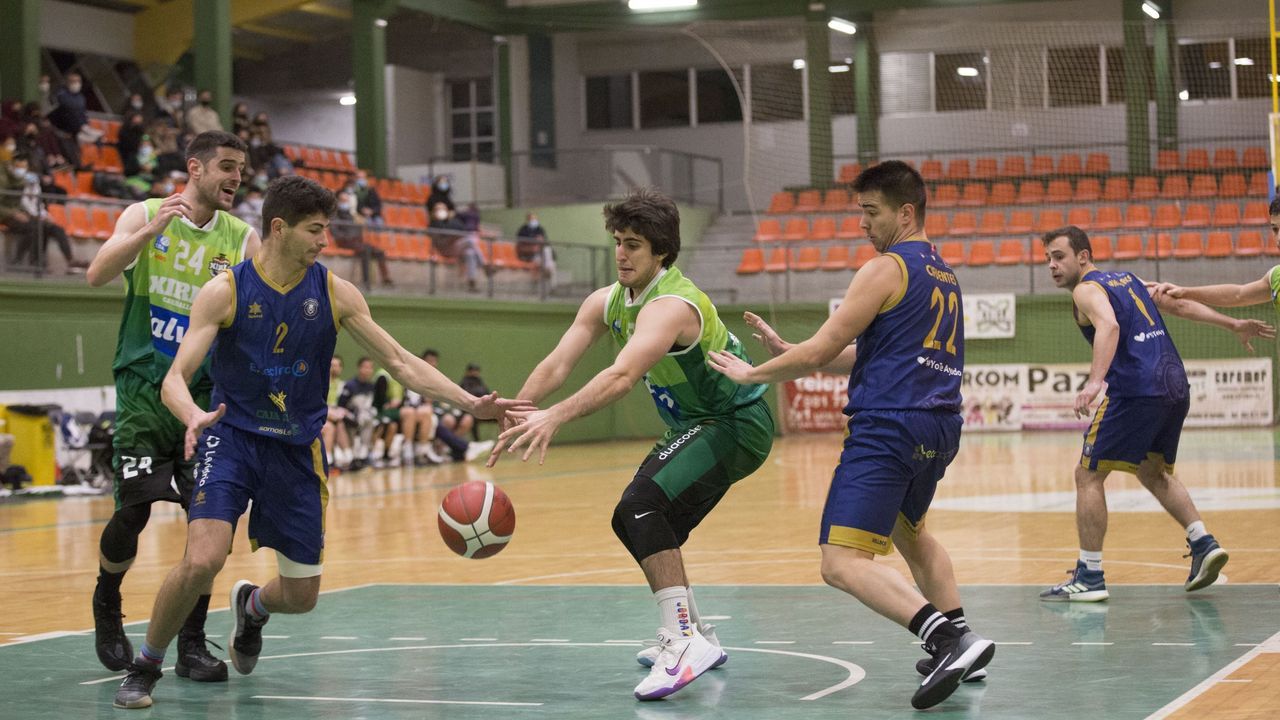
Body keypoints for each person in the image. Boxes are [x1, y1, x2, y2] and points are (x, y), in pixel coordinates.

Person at [111, 175, 519, 709]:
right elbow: (175, 378)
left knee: (301, 598)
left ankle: (252, 607)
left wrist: (471, 405)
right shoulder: (225, 291)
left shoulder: (334, 292)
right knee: (203, 558)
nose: (325, 241)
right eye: (315, 230)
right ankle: (144, 667)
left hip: (297, 448)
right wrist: (190, 414)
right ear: (279, 229)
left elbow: (400, 362)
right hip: (231, 438)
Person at [706, 162, 992, 710]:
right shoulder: (944, 275)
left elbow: (820, 350)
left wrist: (753, 373)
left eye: (870, 211)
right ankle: (961, 639)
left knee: (839, 563)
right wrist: (787, 351)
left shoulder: (885, 268)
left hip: (887, 426)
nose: (861, 223)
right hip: (938, 426)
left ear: (905, 212)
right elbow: (864, 356)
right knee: (912, 535)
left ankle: (947, 639)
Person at [491, 186, 773, 701]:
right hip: (698, 423)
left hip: (734, 421)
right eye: (618, 241)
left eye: (634, 244)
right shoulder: (607, 300)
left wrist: (555, 416)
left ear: (661, 251)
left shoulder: (672, 305)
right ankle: (697, 635)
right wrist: (518, 409)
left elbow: (622, 376)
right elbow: (557, 364)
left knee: (643, 506)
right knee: (635, 520)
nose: (621, 253)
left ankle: (684, 640)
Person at [85, 131, 259, 683]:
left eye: (241, 169)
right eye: (226, 167)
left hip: (204, 402)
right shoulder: (144, 211)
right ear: (195, 168)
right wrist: (149, 232)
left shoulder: (242, 237)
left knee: (206, 528)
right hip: (143, 389)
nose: (236, 178)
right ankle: (107, 603)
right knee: (132, 513)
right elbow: (97, 273)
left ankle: (190, 643)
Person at [1038, 225, 1272, 603]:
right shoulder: (1129, 280)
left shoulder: (1086, 289)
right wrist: (1232, 324)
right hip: (1174, 384)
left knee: (1088, 475)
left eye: (1059, 256)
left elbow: (1109, 326)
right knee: (1153, 470)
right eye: (1048, 258)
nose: (1051, 264)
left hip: (1137, 388)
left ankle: (1090, 574)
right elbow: (1177, 303)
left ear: (1083, 257)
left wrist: (1095, 381)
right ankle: (1202, 542)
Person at [1148, 197, 1280, 316]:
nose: (1278, 238)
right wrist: (1183, 291)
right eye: (1275, 229)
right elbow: (1238, 295)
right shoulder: (1275, 276)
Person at [1, 151, 80, 271]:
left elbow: (36, 204)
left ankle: (70, 261)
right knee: (36, 227)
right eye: (19, 166)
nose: (22, 169)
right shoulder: (6, 180)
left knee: (54, 228)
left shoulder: (29, 182)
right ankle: (19, 261)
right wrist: (16, 213)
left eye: (24, 166)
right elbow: (22, 204)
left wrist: (44, 215)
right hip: (9, 215)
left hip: (29, 215)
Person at [322, 355, 354, 470]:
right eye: (331, 365)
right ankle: (328, 461)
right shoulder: (320, 382)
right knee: (330, 427)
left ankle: (349, 457)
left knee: (339, 424)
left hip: (334, 416)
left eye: (336, 366)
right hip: (320, 414)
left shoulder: (341, 385)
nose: (334, 368)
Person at [516, 212, 556, 278]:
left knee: (548, 255)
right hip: (528, 252)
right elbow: (520, 242)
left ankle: (547, 271)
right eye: (532, 219)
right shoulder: (523, 229)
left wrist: (540, 241)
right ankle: (544, 270)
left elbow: (544, 240)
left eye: (535, 219)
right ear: (528, 219)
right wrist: (532, 245)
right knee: (538, 260)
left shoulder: (540, 229)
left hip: (540, 252)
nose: (533, 220)